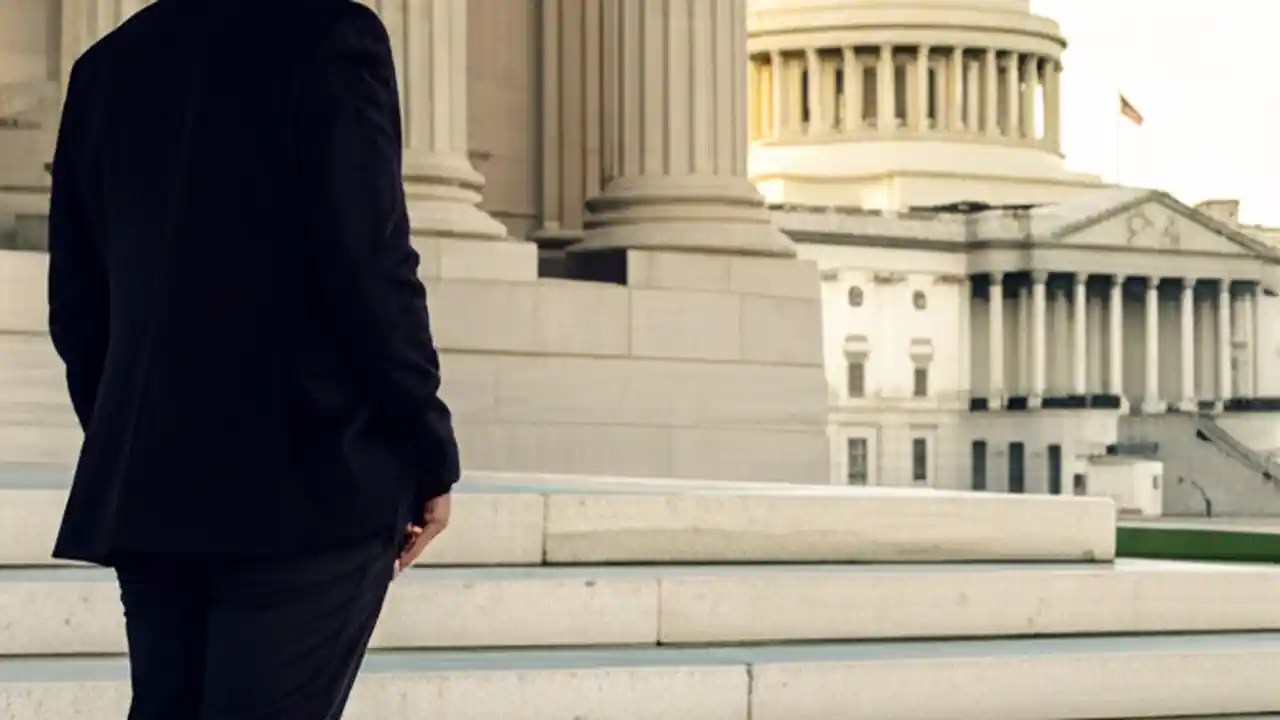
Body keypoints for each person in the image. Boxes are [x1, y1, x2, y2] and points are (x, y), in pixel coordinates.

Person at [46, 0, 459, 716]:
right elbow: (370, 263)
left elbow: (79, 307)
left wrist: (134, 436)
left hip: (155, 482)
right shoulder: (330, 35)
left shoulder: (106, 68)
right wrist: (428, 445)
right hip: (307, 480)